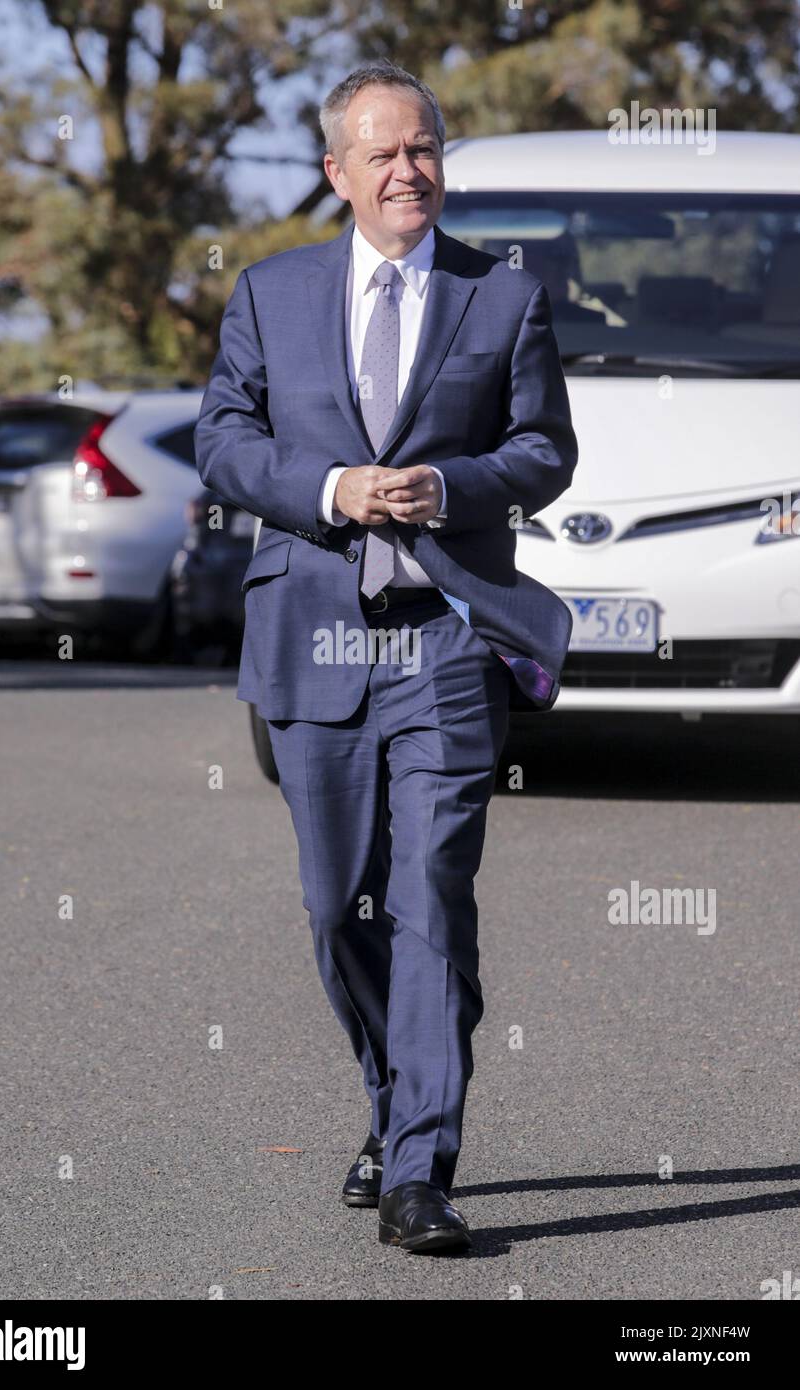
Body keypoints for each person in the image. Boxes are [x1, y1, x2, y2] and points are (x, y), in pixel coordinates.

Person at [194, 61, 578, 1255]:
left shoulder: (499, 297)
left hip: (446, 637)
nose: (409, 171)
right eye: (383, 155)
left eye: (424, 150)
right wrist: (328, 489)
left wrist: (446, 486)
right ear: (336, 174)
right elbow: (221, 440)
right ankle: (387, 1099)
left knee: (429, 897)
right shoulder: (269, 293)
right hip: (310, 633)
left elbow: (542, 450)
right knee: (335, 907)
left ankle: (421, 1166)